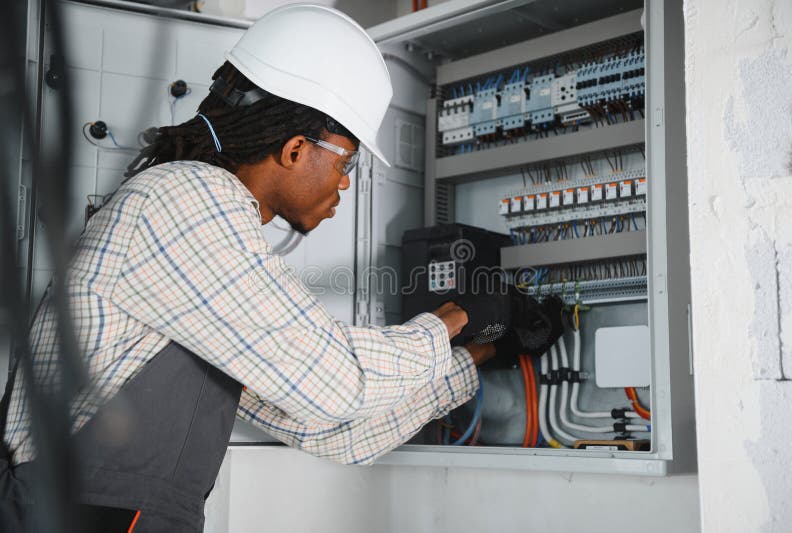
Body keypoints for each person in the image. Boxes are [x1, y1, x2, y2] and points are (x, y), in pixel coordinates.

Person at [0, 5, 509, 532]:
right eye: (346, 162)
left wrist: (482, 353)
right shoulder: (184, 199)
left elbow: (333, 431)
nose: (345, 184)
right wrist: (457, 317)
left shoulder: (204, 256)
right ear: (294, 149)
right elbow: (338, 382)